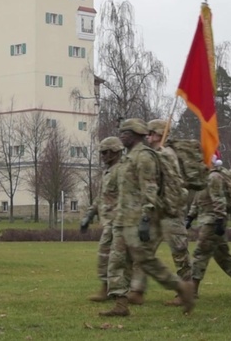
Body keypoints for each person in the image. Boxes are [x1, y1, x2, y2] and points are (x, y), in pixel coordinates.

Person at [100, 118, 195, 317]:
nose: (121, 137)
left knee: (145, 261)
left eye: (125, 133)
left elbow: (150, 188)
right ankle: (121, 303)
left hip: (136, 220)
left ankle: (181, 287)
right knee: (117, 261)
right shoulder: (127, 158)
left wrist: (146, 217)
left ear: (135, 135)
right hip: (122, 218)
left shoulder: (144, 157)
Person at [187, 152, 231, 298]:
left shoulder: (213, 177)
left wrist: (219, 220)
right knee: (223, 257)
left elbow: (219, 199)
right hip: (209, 220)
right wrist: (190, 216)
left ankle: (192, 290)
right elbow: (198, 199)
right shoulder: (205, 177)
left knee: (200, 253)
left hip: (212, 221)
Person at [143, 119, 193, 306]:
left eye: (150, 132)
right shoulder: (158, 154)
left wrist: (172, 208)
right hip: (159, 210)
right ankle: (135, 290)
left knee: (179, 252)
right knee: (144, 251)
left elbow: (173, 185)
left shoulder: (166, 155)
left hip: (171, 211)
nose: (147, 136)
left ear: (158, 134)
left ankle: (186, 290)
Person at [81, 136, 128, 302]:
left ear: (114, 152)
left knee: (114, 257)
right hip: (109, 222)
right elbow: (101, 197)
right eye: (101, 153)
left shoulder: (122, 170)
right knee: (106, 255)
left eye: (105, 152)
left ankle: (120, 292)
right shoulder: (107, 172)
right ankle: (108, 288)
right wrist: (89, 214)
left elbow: (127, 196)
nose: (102, 156)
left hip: (120, 221)